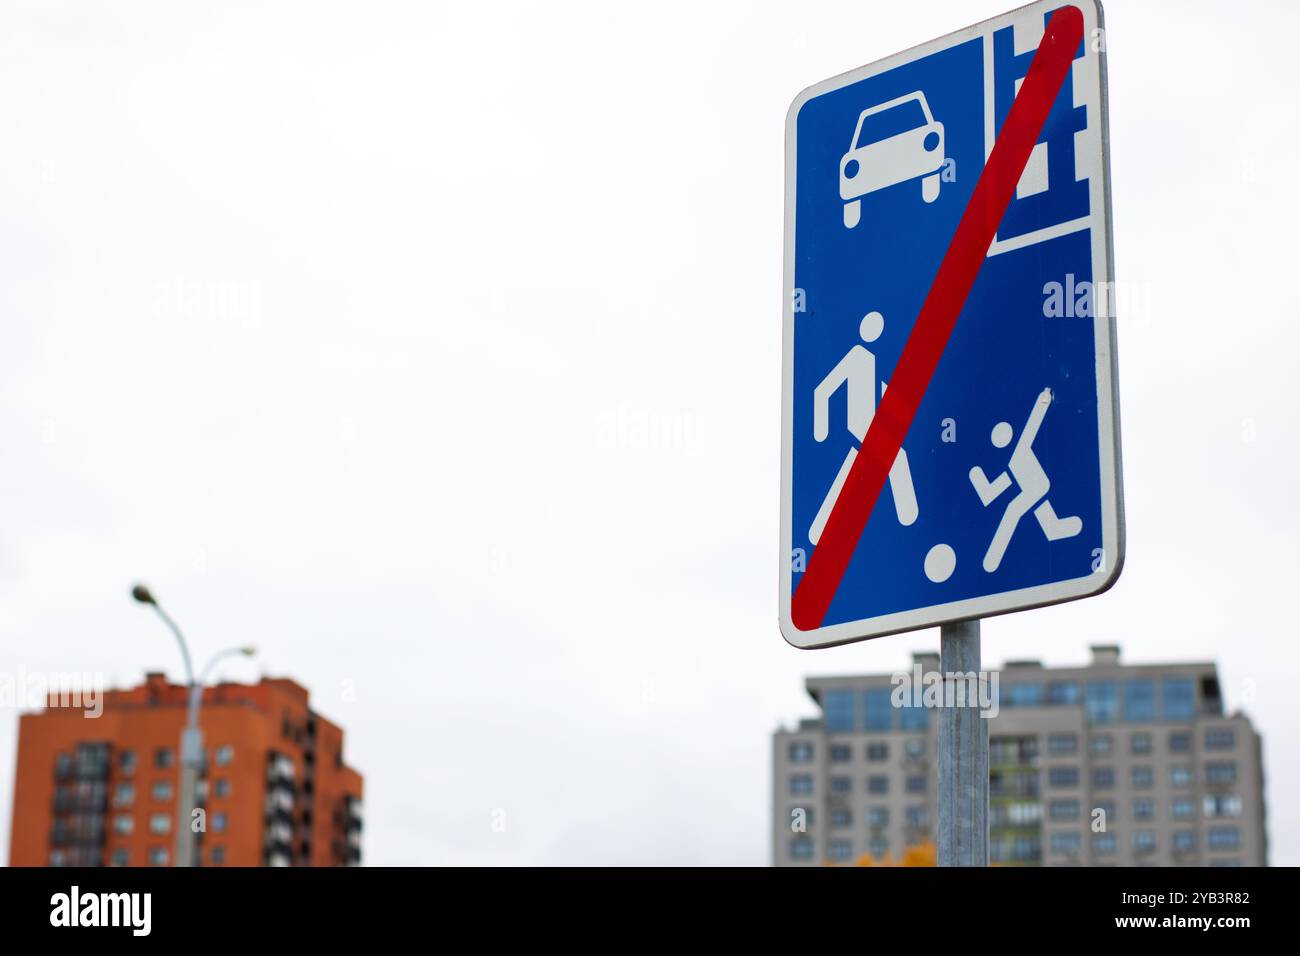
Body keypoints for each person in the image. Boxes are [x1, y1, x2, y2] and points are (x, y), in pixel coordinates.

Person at [809, 311, 917, 545]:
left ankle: (820, 529)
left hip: (873, 423)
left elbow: (881, 389)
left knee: (854, 468)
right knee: (897, 457)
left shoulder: (872, 359)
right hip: (862, 423)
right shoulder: (857, 356)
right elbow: (824, 389)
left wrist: (900, 411)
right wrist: (821, 428)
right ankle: (910, 518)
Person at [969, 387, 1082, 572]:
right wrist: (979, 482)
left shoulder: (1019, 449)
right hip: (1035, 488)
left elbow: (1032, 425)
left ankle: (992, 560)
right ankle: (1056, 528)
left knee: (1012, 510)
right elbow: (996, 489)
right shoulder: (1010, 461)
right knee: (1037, 510)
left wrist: (1042, 400)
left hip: (1037, 485)